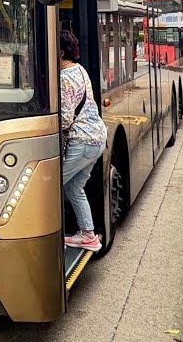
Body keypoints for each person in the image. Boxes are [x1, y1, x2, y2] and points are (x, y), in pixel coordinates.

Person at [58, 30, 107, 253]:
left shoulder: (63, 78)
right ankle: (88, 235)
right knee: (74, 187)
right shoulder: (80, 69)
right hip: (97, 138)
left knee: (50, 187)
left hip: (82, 141)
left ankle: (47, 237)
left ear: (59, 52)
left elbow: (66, 118)